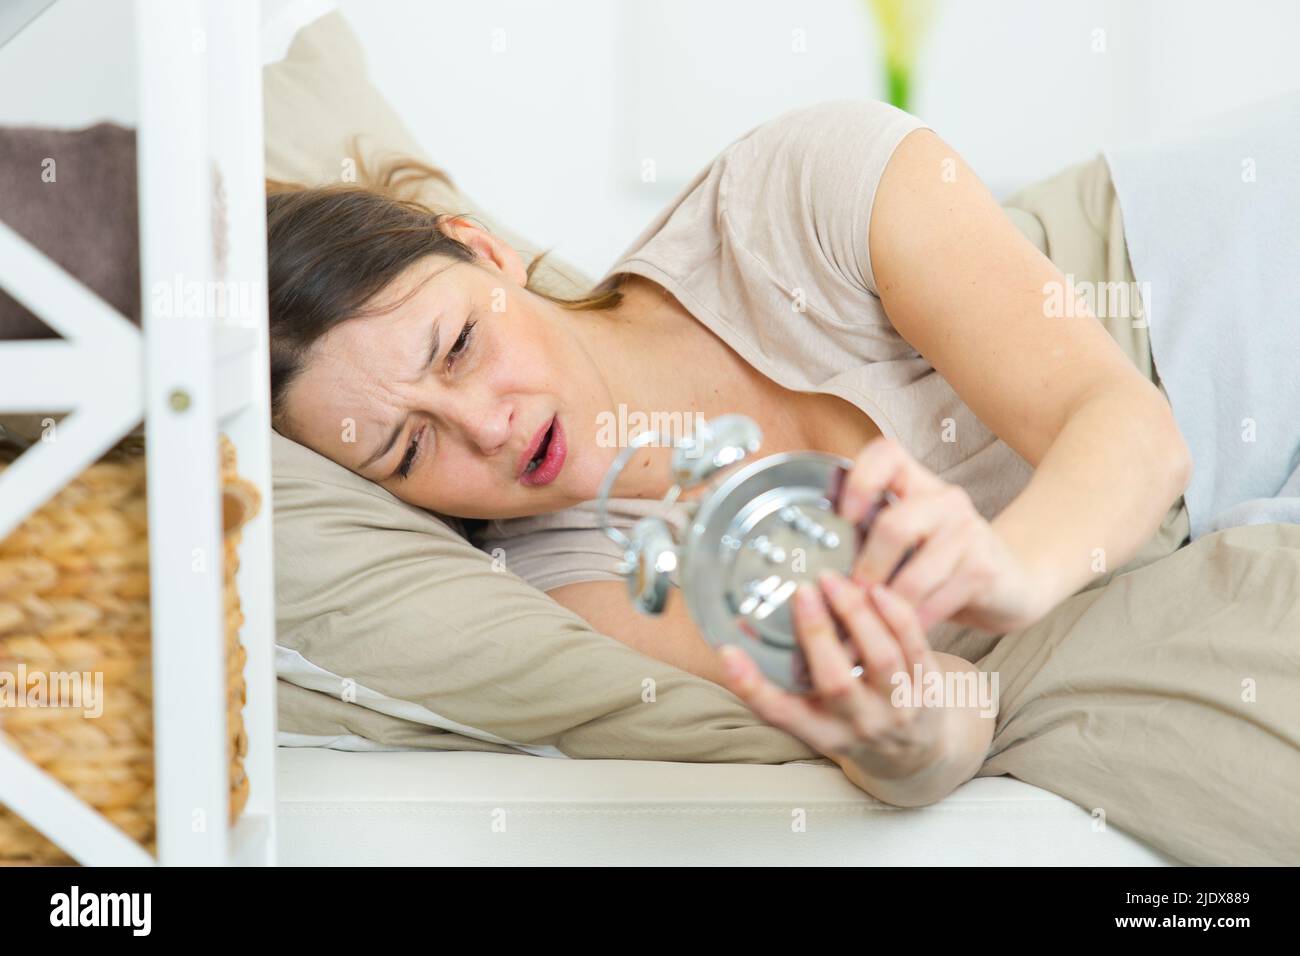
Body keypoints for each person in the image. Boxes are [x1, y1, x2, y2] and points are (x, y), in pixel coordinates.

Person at [262, 99, 1191, 809]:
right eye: (409, 447)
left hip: (1193, 274)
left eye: (460, 345)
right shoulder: (586, 583)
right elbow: (939, 716)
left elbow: (1127, 424)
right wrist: (900, 739)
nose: (487, 426)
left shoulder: (794, 193)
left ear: (484, 252)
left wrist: (1015, 570)